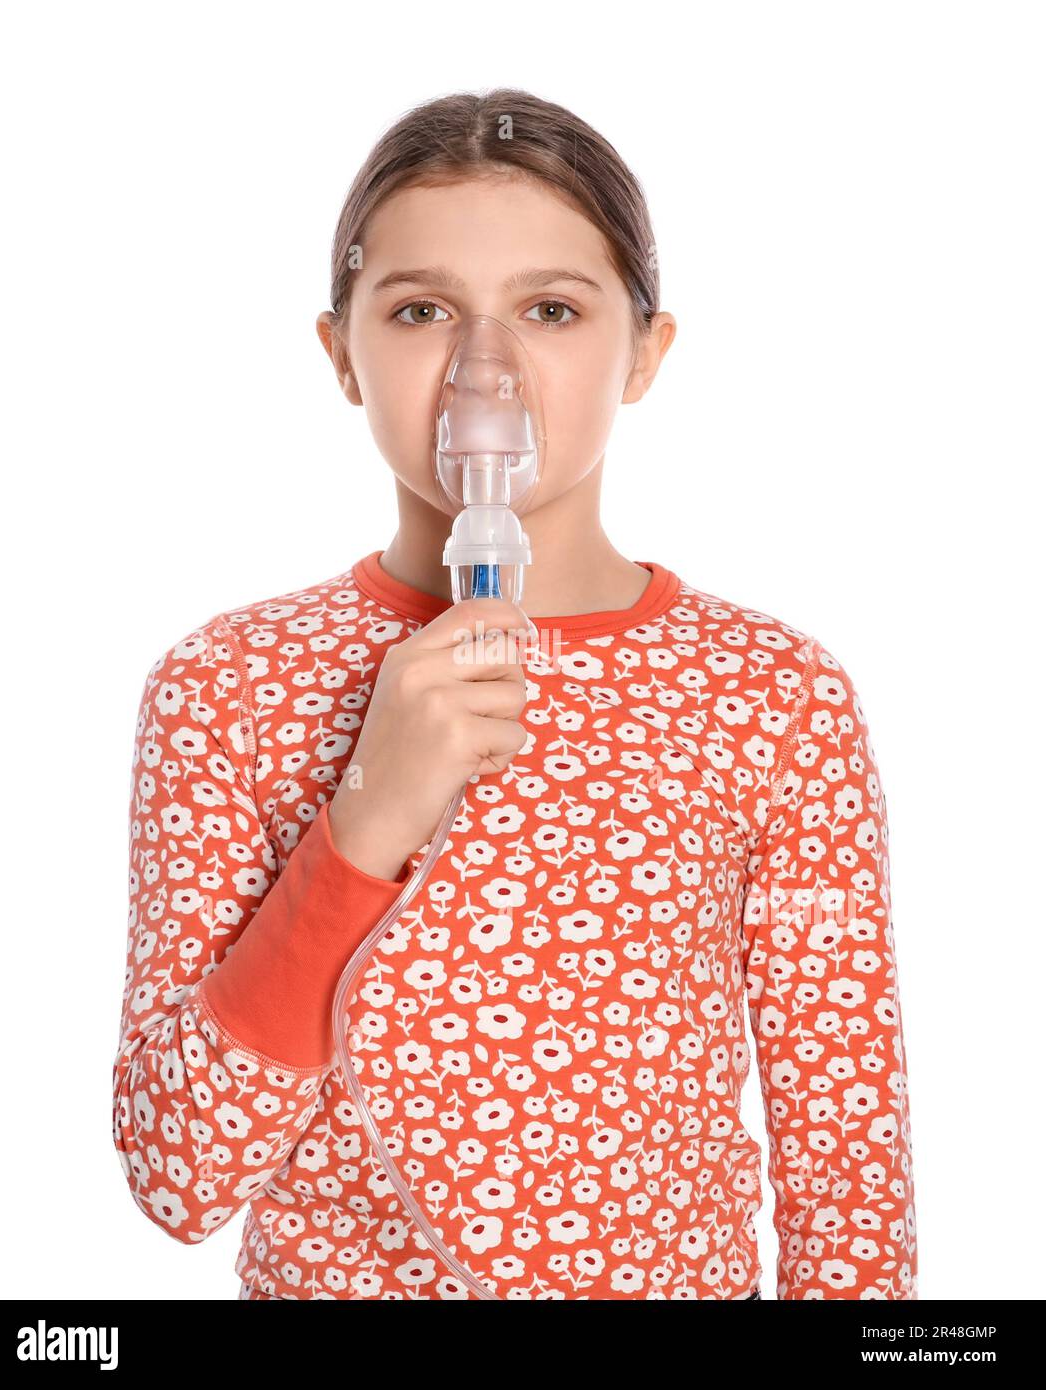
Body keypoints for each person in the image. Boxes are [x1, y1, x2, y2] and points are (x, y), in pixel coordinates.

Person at [112, 87, 917, 1301]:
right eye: (422, 310)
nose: (482, 369)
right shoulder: (226, 689)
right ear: (341, 353)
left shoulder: (770, 697)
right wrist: (366, 816)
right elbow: (181, 1177)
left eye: (549, 310)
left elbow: (844, 1167)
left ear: (643, 351)